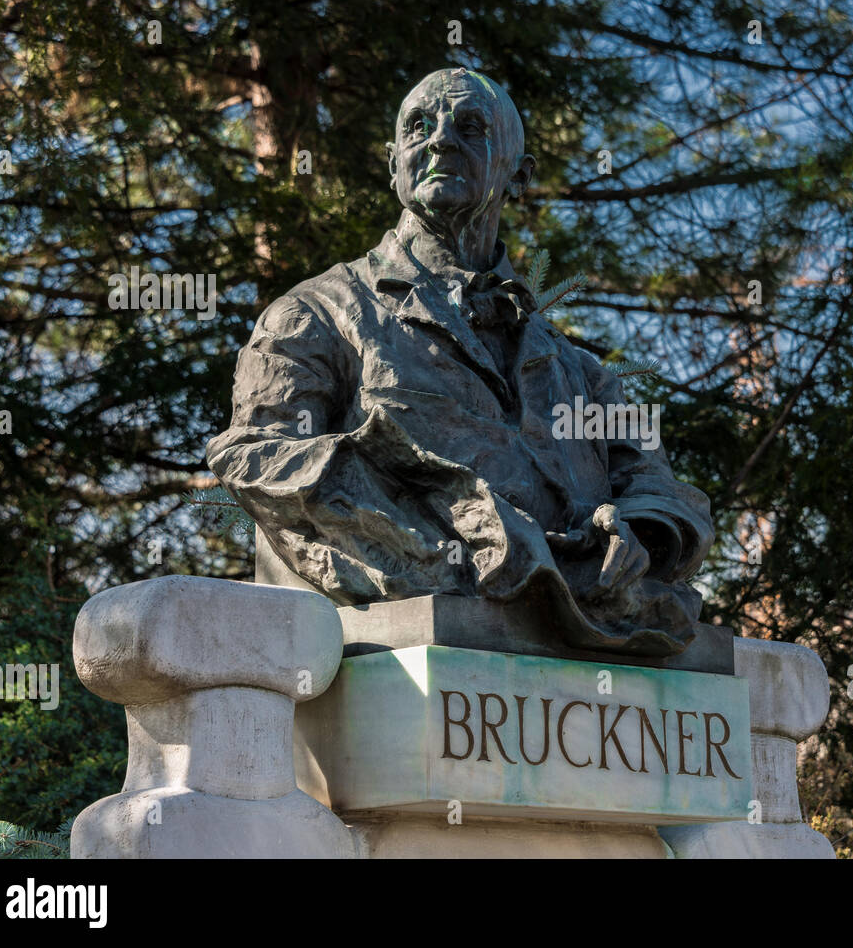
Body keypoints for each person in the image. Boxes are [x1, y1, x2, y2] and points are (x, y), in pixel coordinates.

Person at [207, 68, 714, 655]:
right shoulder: (317, 315)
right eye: (419, 126)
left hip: (589, 626)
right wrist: (448, 512)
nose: (442, 139)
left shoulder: (579, 373)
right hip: (408, 623)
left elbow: (660, 490)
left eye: (471, 128)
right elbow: (257, 456)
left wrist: (639, 534)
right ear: (393, 161)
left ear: (517, 174)